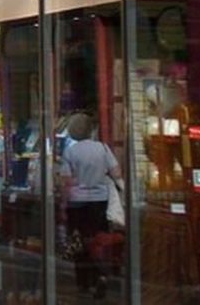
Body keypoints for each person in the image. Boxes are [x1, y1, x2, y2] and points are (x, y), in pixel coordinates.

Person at [59, 113, 121, 299]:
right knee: (98, 240)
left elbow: (67, 181)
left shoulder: (70, 152)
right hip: (100, 202)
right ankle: (100, 275)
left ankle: (83, 283)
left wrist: (63, 203)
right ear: (90, 129)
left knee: (79, 242)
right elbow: (116, 172)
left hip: (77, 203)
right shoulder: (102, 148)